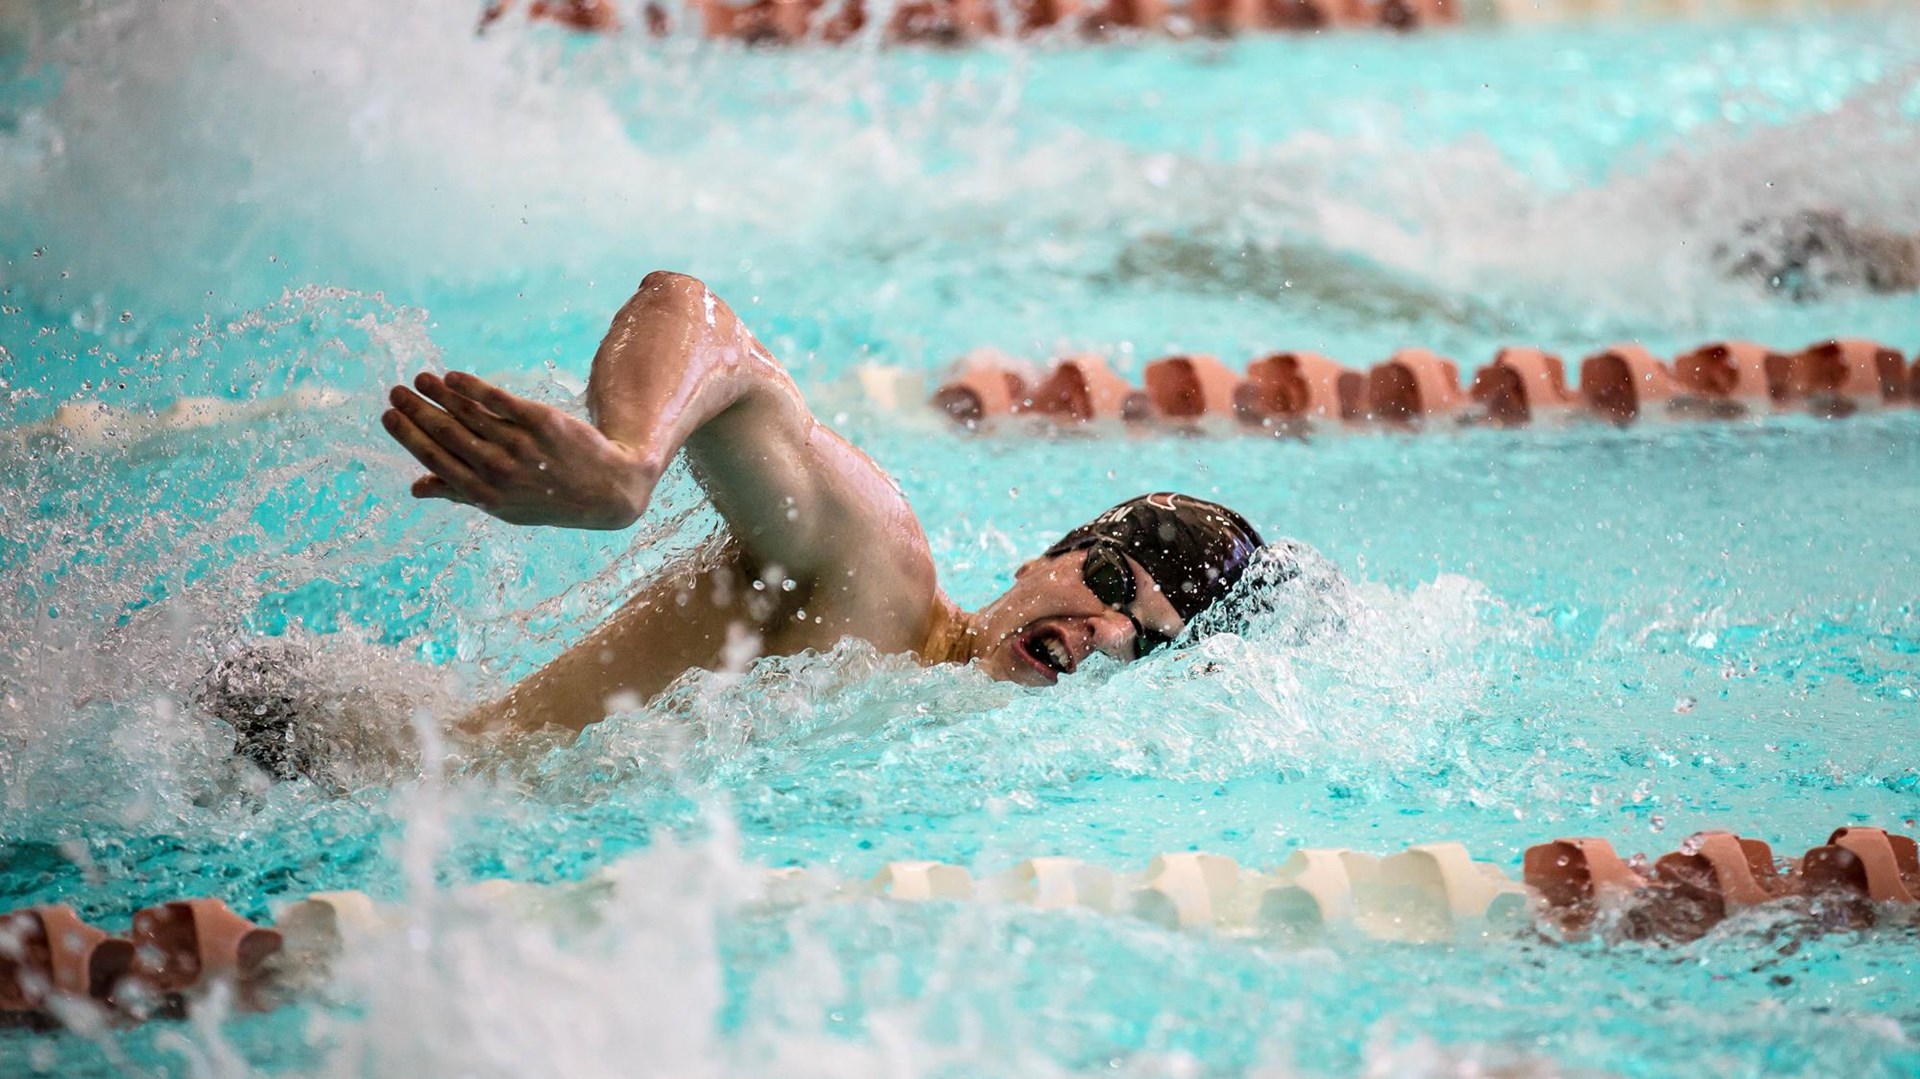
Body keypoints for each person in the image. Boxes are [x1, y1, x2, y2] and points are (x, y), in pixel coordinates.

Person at [374, 271, 1270, 740]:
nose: (1107, 630)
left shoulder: (933, 733)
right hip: (327, 764)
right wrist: (628, 465)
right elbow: (694, 312)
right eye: (1111, 578)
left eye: (1143, 639)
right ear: (1040, 559)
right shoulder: (877, 575)